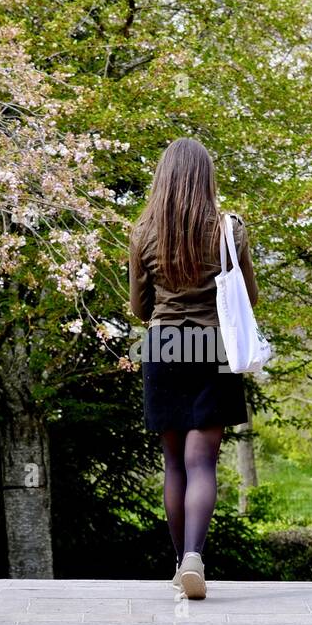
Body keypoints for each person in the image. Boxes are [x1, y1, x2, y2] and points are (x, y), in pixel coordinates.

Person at [128, 138, 259, 599]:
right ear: (206, 177)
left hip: (164, 345)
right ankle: (193, 558)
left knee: (173, 464)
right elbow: (249, 299)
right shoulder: (229, 230)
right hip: (213, 347)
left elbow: (140, 308)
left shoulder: (142, 231)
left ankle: (177, 566)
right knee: (201, 461)